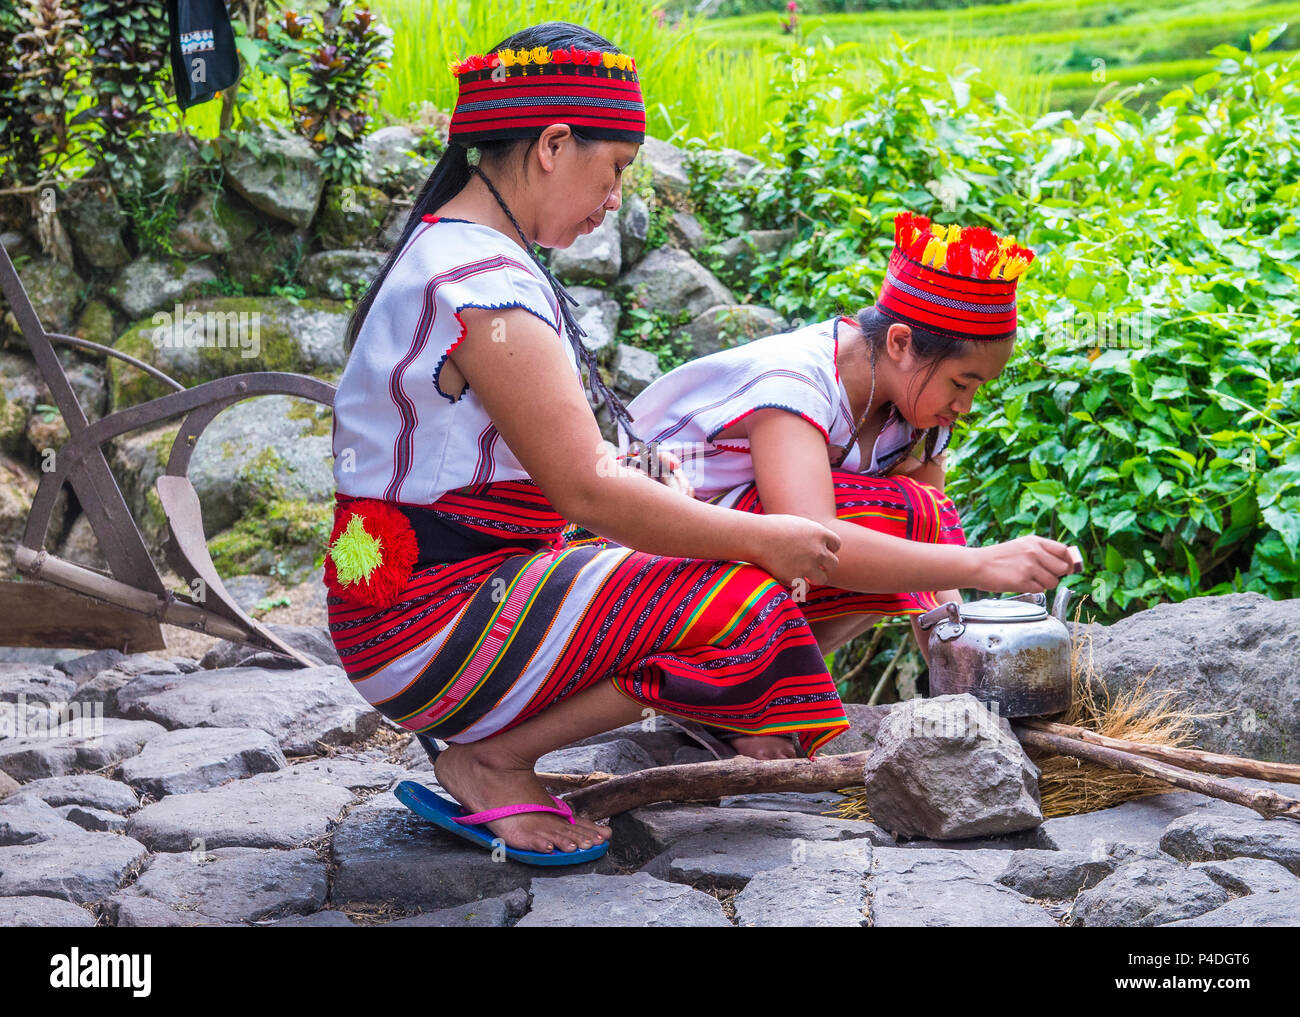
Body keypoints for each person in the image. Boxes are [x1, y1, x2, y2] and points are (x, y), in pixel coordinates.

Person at [323, 22, 848, 860]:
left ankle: (498, 738)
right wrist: (765, 537)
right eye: (615, 170)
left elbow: (526, 467)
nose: (614, 199)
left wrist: (648, 482)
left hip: (410, 597)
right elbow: (587, 491)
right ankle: (493, 756)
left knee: (690, 530)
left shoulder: (461, 254)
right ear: (553, 146)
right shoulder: (481, 287)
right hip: (425, 622)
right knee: (746, 599)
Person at [564, 212, 1077, 759]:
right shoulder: (798, 381)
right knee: (876, 520)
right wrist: (983, 564)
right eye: (961, 382)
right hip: (636, 560)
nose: (965, 405)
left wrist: (966, 689)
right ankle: (737, 702)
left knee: (909, 529)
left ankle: (748, 699)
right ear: (901, 342)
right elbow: (808, 536)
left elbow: (930, 556)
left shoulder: (917, 411)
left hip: (729, 561)